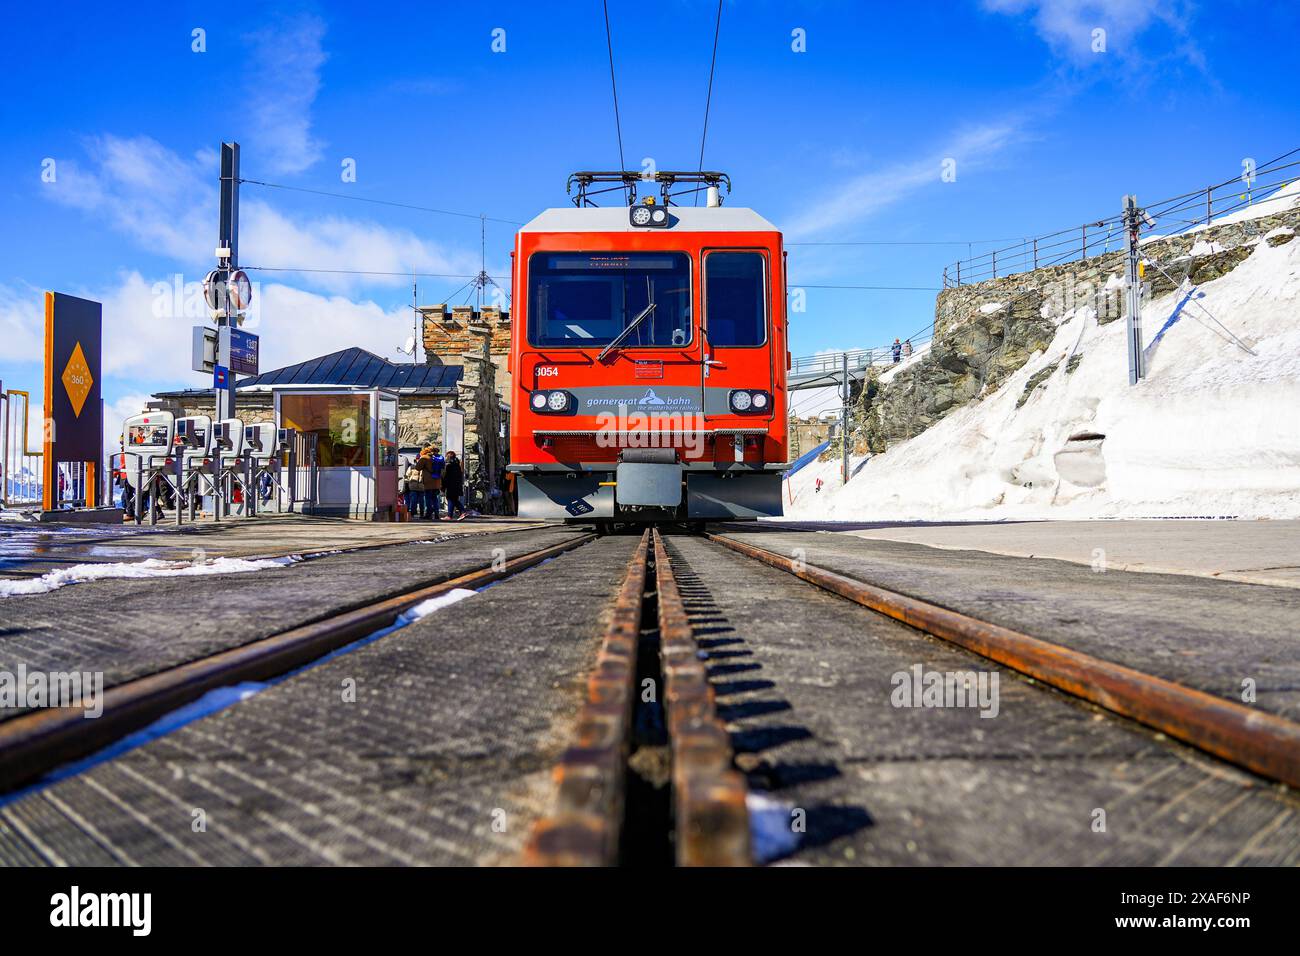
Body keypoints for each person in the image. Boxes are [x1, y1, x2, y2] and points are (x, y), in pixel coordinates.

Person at [422, 446, 446, 520]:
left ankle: (429, 513)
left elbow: (418, 467)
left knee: (428, 498)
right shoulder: (441, 458)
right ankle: (436, 514)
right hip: (437, 480)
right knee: (435, 498)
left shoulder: (430, 458)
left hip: (429, 481)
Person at [442, 451, 465, 519]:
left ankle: (461, 512)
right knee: (454, 499)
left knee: (450, 499)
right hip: (457, 485)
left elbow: (445, 476)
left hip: (450, 485)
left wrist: (443, 486)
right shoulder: (457, 464)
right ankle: (452, 515)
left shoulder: (448, 465)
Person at [403, 453, 426, 519]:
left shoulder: (424, 467)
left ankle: (421, 513)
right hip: (413, 487)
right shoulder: (411, 467)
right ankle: (413, 513)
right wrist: (408, 482)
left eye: (420, 459)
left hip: (421, 487)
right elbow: (407, 475)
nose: (419, 460)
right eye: (418, 459)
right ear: (416, 459)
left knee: (421, 501)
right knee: (414, 500)